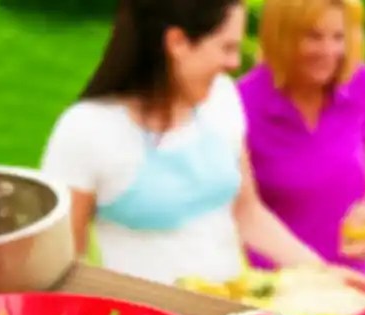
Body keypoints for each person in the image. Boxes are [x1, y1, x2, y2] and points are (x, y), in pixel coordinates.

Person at [41, 0, 333, 286]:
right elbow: (64, 269)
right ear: (178, 43)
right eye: (226, 47)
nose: (234, 63)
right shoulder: (87, 130)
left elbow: (248, 214)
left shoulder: (222, 99)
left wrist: (325, 275)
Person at [238, 0, 365, 315]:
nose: (329, 51)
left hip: (358, 292)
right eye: (313, 36)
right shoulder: (242, 104)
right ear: (281, 37)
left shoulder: (363, 85)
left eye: (338, 37)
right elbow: (243, 213)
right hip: (285, 308)